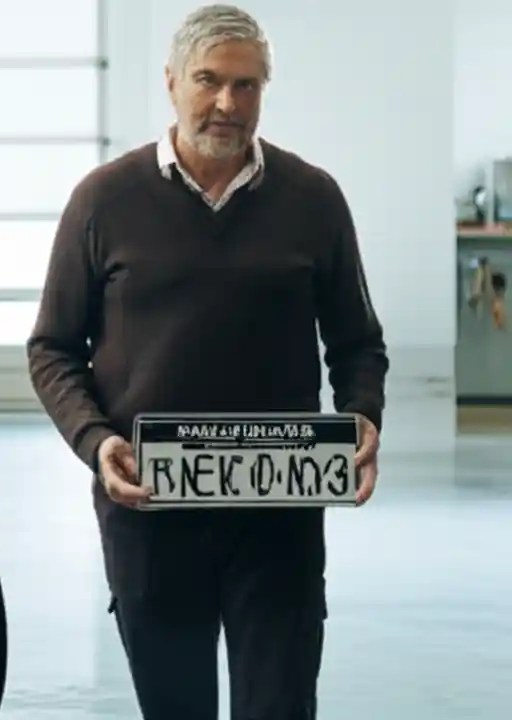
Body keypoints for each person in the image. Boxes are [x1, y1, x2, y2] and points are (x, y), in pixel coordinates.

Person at [26, 4, 388, 719]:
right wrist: (96, 444)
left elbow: (357, 343)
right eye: (209, 80)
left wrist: (362, 418)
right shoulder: (103, 200)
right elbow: (53, 349)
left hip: (277, 514)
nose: (228, 103)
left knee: (279, 706)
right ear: (171, 83)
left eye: (247, 86)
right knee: (176, 708)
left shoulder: (313, 199)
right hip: (150, 514)